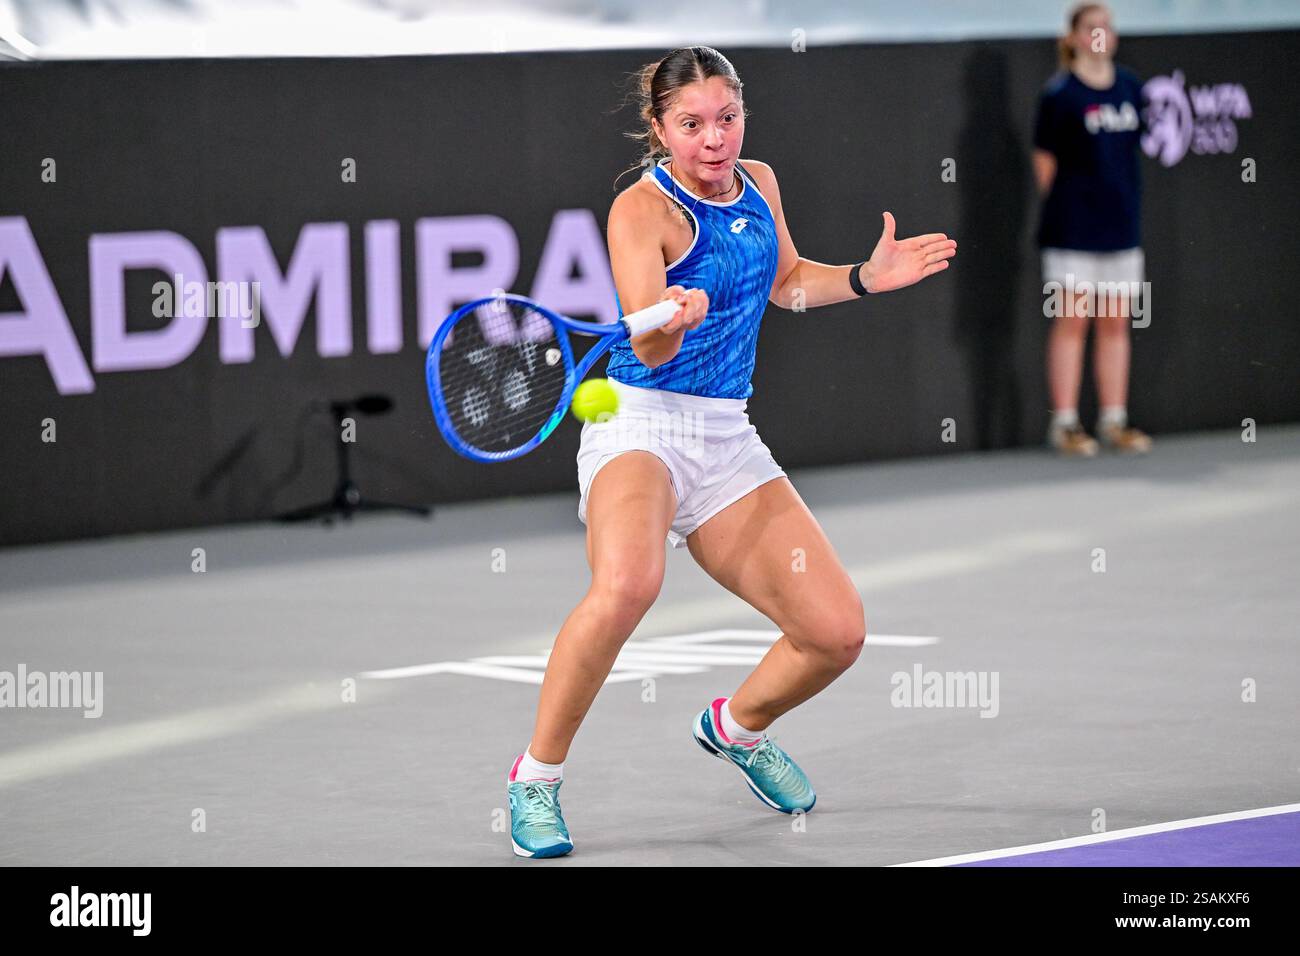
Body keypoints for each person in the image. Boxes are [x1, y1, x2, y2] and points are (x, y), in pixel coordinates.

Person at [506, 46, 957, 858]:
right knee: (628, 583)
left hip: (725, 435)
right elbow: (643, 352)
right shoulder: (640, 213)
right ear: (658, 129)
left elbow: (786, 283)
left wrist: (861, 277)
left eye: (727, 118)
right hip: (641, 425)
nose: (714, 140)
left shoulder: (760, 182)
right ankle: (535, 779)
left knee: (837, 633)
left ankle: (737, 728)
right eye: (691, 125)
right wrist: (669, 317)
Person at [1033, 2, 1153, 456]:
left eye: (1107, 27)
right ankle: (1064, 424)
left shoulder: (1130, 88)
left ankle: (1113, 419)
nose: (1100, 35)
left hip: (1121, 230)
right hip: (1072, 232)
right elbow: (1045, 164)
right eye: (1091, 28)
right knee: (1072, 322)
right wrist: (1075, 209)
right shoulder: (1060, 95)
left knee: (1116, 323)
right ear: (1074, 37)